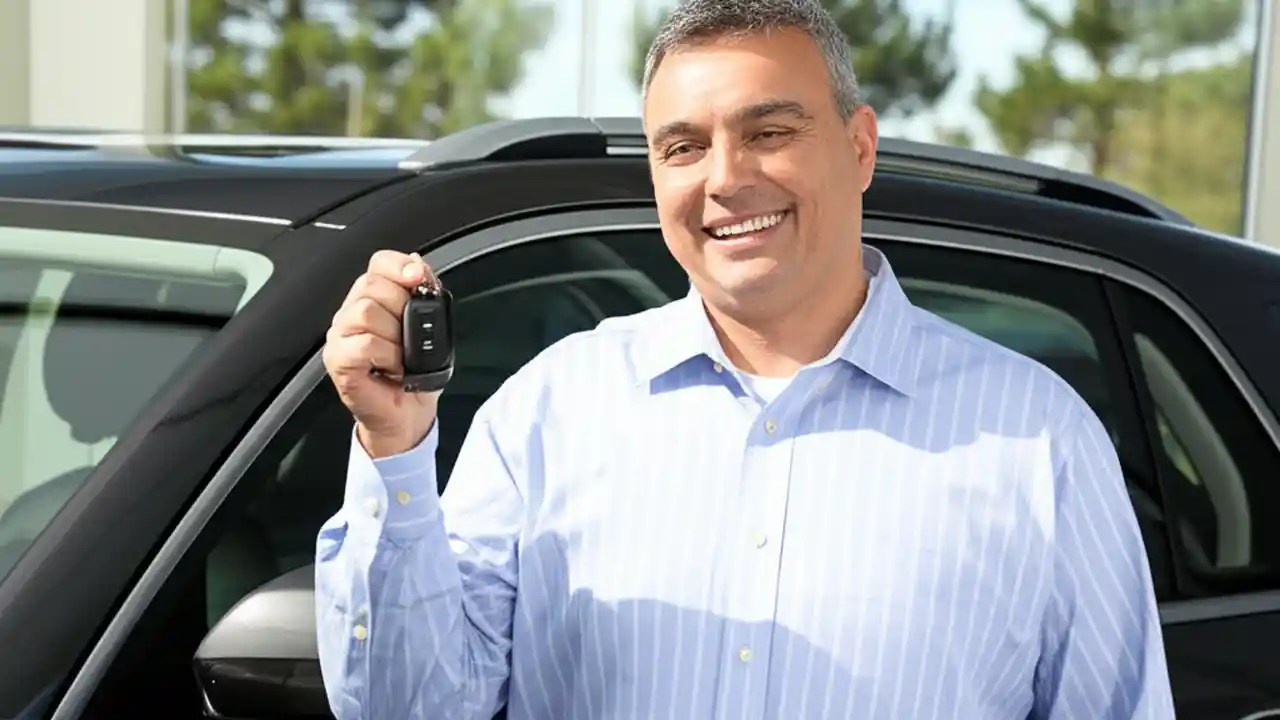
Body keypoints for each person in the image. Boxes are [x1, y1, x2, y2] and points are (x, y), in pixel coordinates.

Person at [315, 0, 1175, 717]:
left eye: (769, 131)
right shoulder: (548, 411)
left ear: (860, 148)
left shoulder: (1039, 439)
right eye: (682, 147)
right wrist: (395, 451)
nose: (725, 178)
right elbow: (409, 708)